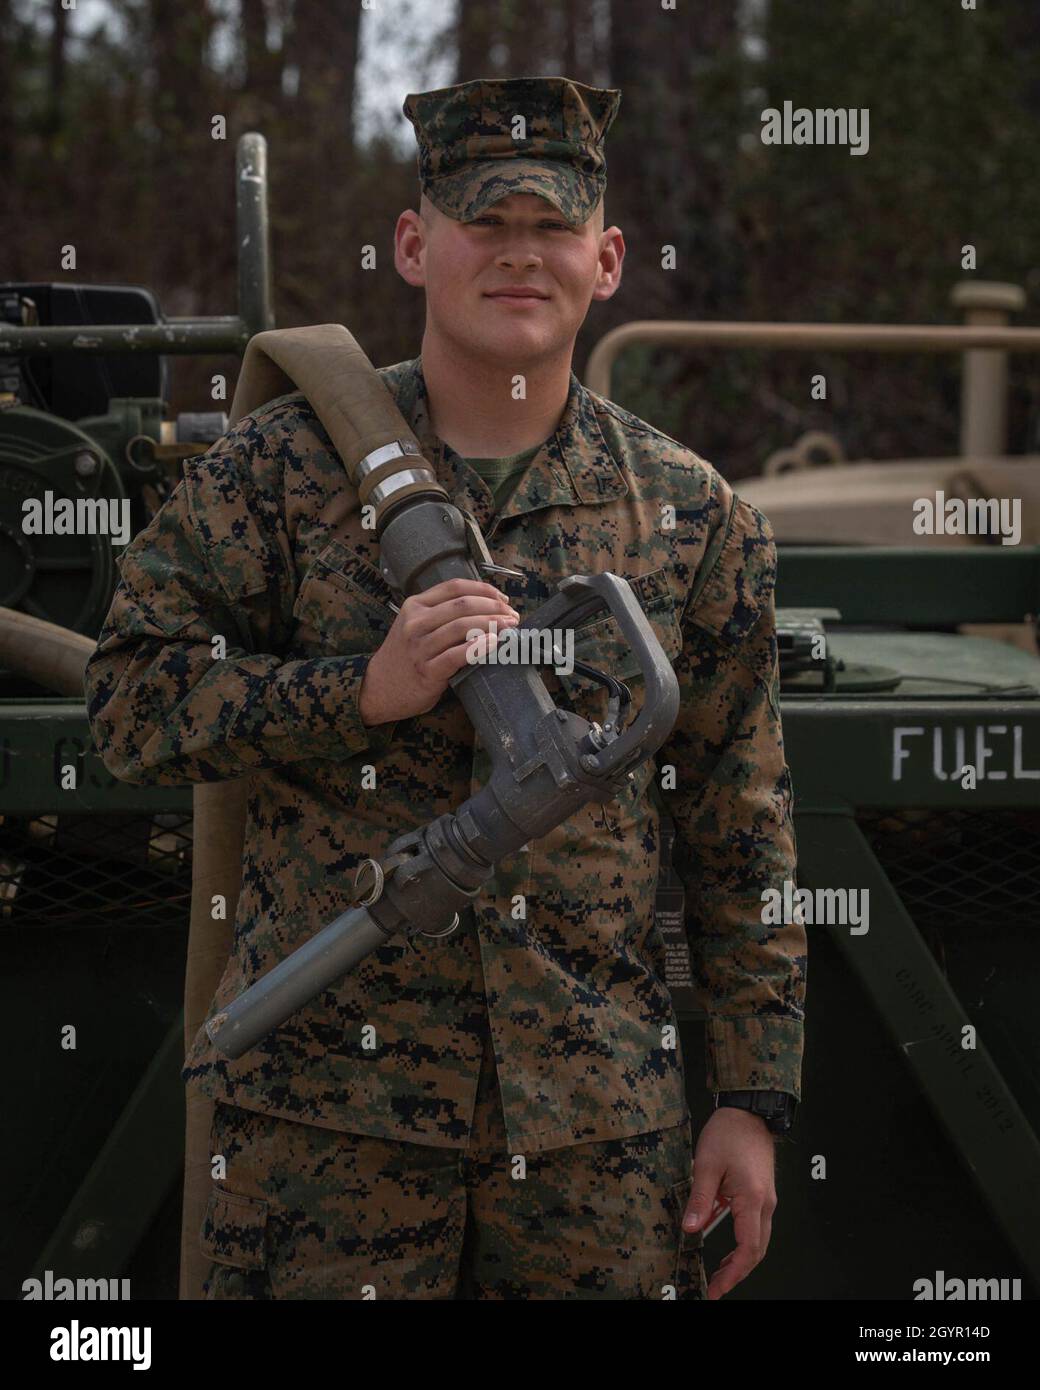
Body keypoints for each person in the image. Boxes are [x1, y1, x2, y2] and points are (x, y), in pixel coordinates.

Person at [84, 75, 806, 1300]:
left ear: (608, 257)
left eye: (551, 226)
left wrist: (748, 1100)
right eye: (485, 221)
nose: (518, 256)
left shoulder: (691, 512)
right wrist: (352, 691)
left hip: (592, 1138)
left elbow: (740, 830)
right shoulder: (279, 467)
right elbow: (127, 706)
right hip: (326, 1127)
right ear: (415, 246)